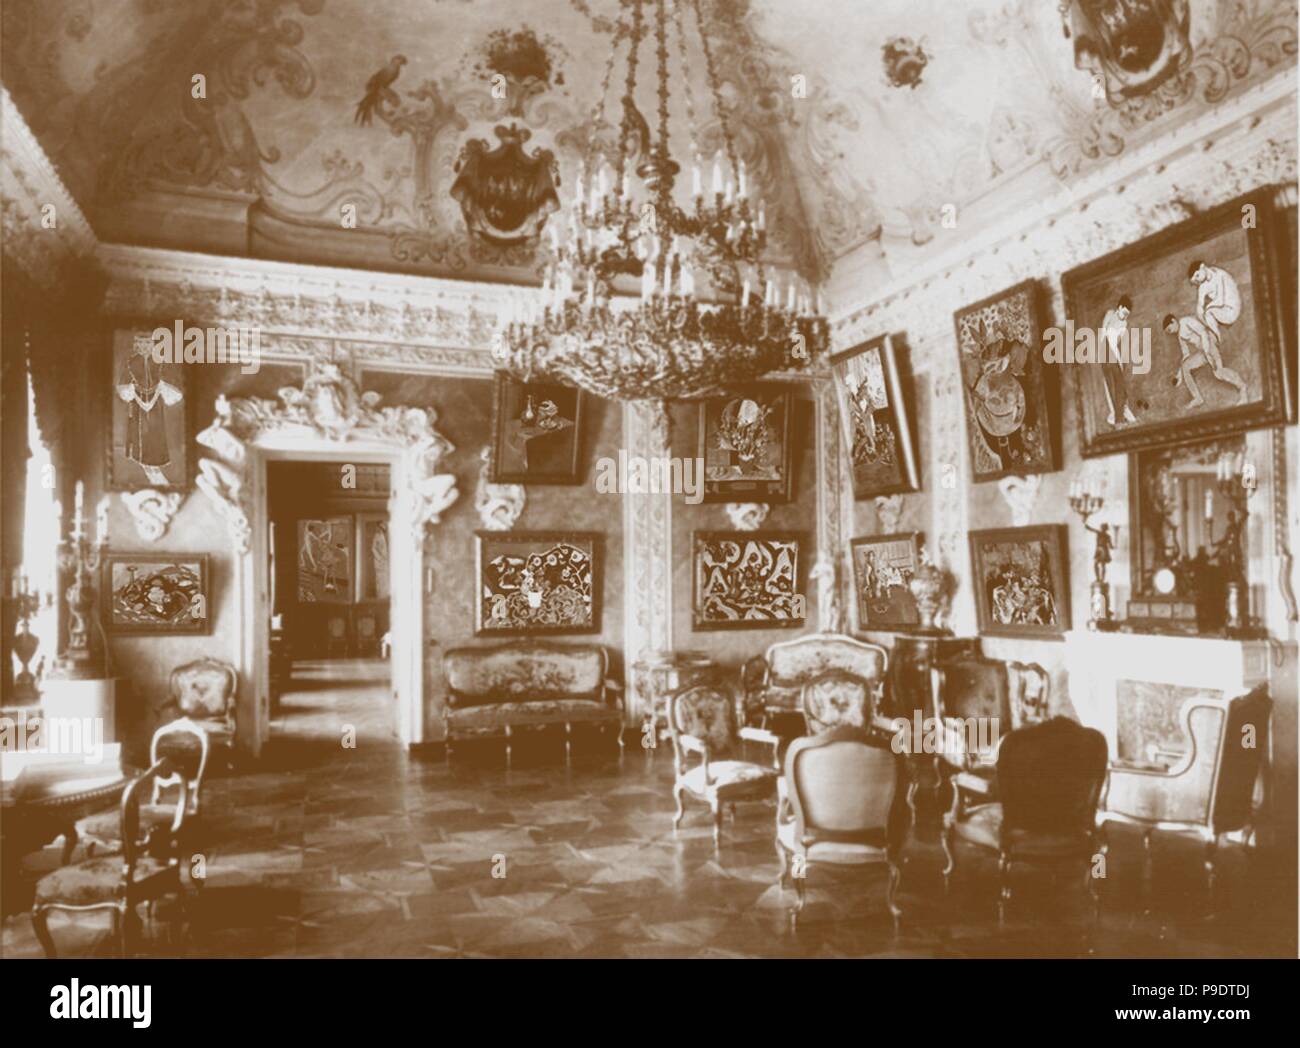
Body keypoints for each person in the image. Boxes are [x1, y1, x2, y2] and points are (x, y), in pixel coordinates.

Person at [117, 337, 183, 485]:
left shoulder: (161, 361)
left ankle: (155, 465)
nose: (144, 346)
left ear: (153, 344)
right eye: (141, 342)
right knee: (140, 431)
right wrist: (132, 391)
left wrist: (161, 387)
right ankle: (144, 463)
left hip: (156, 401)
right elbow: (123, 383)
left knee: (155, 430)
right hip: (136, 400)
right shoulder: (130, 362)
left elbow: (170, 380)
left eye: (148, 342)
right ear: (137, 344)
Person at [1163, 313, 1248, 408]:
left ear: (1173, 321)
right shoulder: (1180, 336)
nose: (1170, 332)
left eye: (1169, 329)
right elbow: (1186, 354)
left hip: (1209, 344)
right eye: (1168, 332)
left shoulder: (1185, 321)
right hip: (1203, 351)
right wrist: (1179, 375)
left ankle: (1243, 388)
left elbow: (1203, 332)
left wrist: (1207, 352)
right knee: (1186, 367)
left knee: (1219, 373)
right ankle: (1197, 398)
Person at [1099, 295, 1138, 426]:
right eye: (1125, 312)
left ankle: (1118, 415)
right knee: (1113, 385)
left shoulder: (1124, 323)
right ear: (1119, 307)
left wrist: (1119, 361)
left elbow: (1117, 342)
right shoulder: (1110, 313)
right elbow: (1102, 331)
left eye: (1128, 314)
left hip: (1114, 353)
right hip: (1105, 350)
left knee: (1119, 385)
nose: (1125, 316)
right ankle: (1119, 417)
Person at [1189, 259, 1241, 343]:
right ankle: (1215, 336)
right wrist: (1204, 321)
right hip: (1222, 310)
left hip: (1232, 308)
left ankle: (1218, 337)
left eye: (1197, 275)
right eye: (1195, 280)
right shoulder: (1203, 286)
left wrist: (1206, 309)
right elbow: (1199, 307)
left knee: (1208, 312)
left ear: (1202, 266)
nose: (1197, 281)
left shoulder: (1219, 274)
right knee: (1207, 315)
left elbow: (1220, 300)